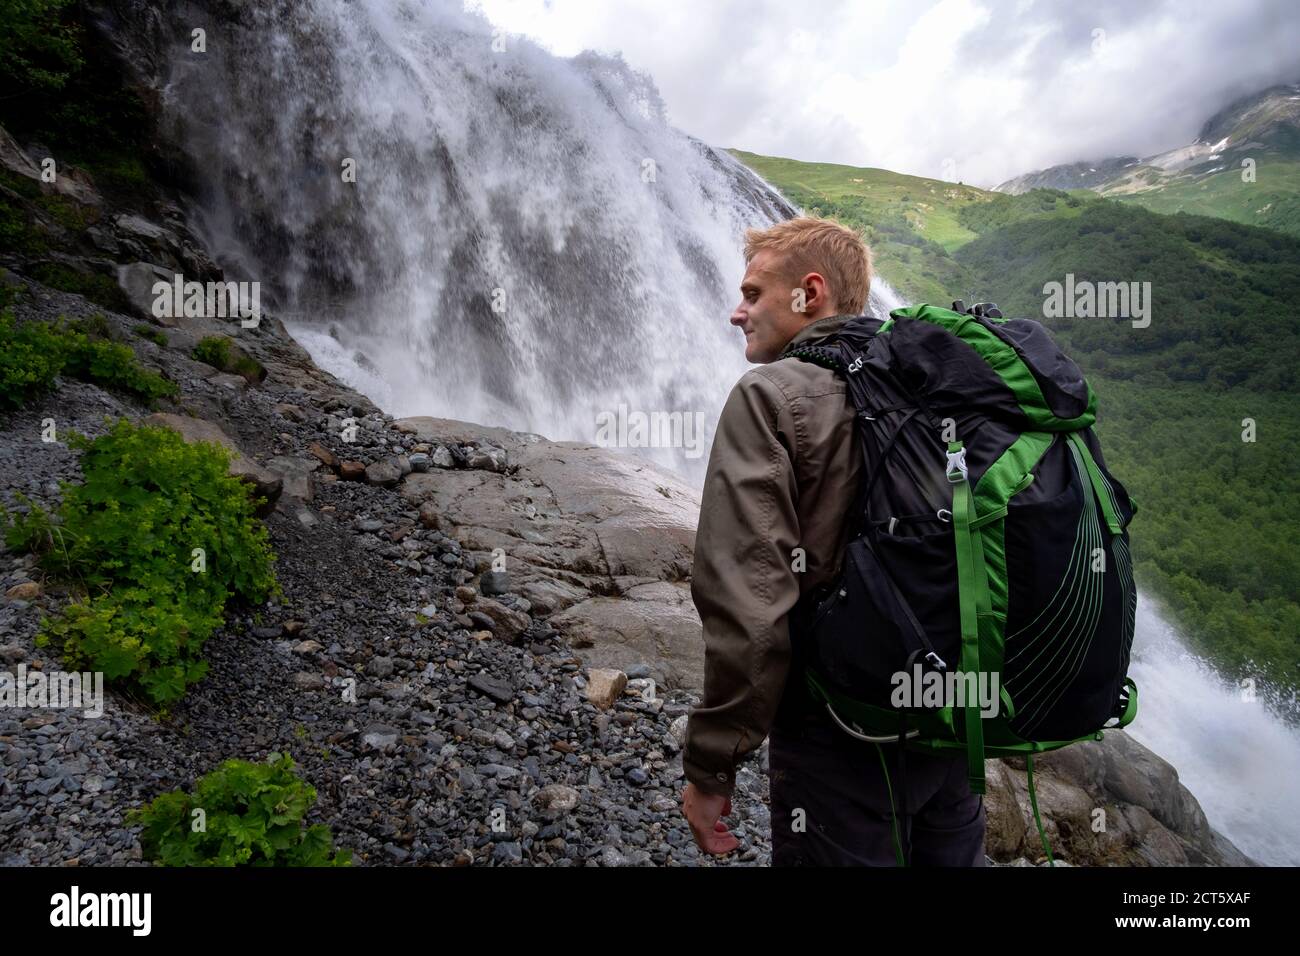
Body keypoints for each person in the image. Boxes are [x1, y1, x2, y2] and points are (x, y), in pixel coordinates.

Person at [679, 216, 986, 866]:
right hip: (954, 724)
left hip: (844, 732)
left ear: (809, 294)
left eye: (753, 294)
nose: (737, 313)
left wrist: (712, 768)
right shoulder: (928, 385)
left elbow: (750, 606)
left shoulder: (771, 396)